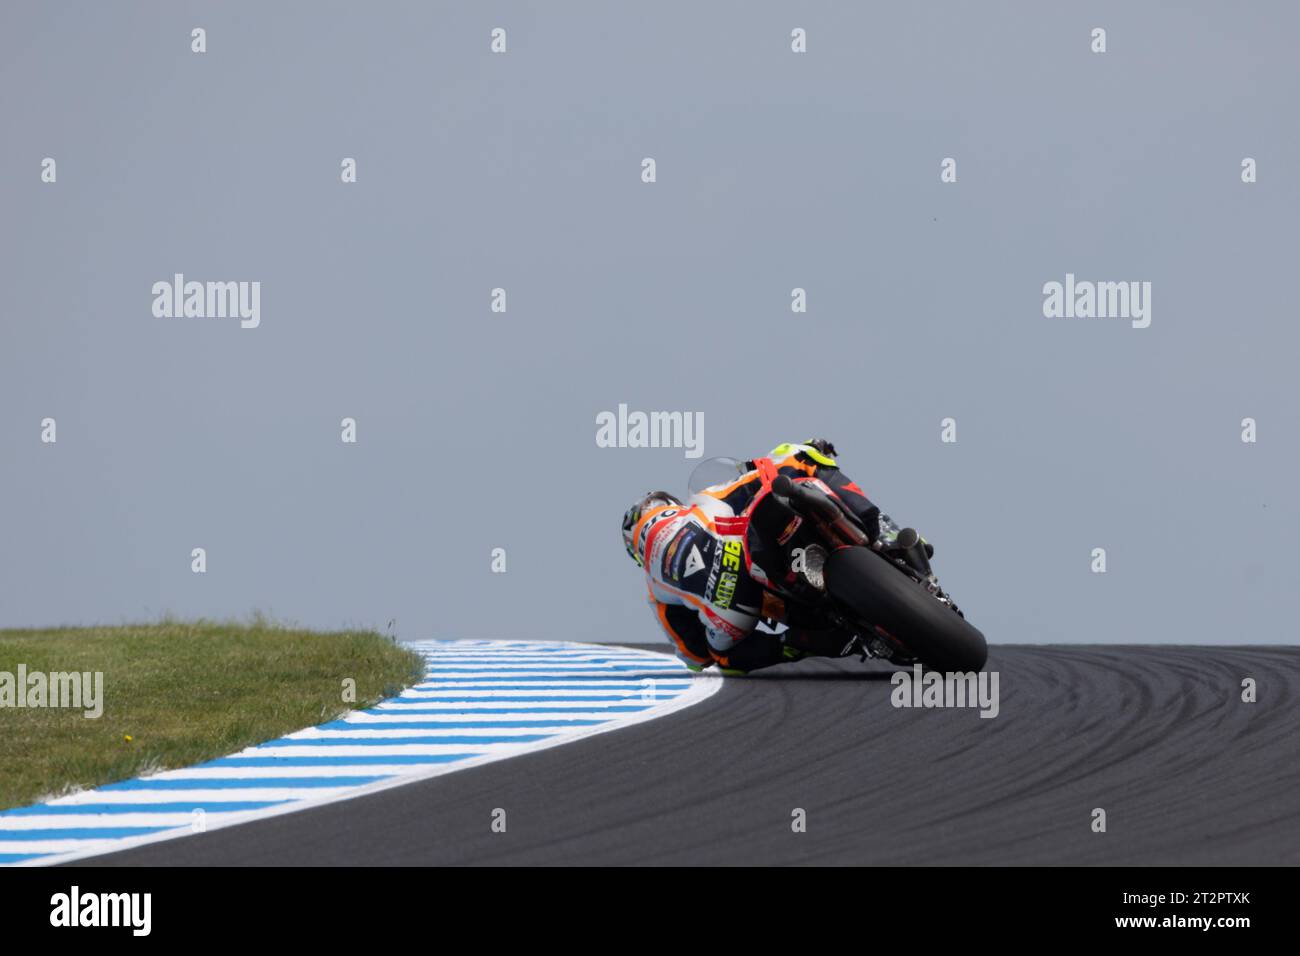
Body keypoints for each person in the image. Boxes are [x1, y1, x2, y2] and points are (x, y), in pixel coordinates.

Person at [621, 439, 924, 674]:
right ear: (670, 503)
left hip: (759, 601)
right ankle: (885, 532)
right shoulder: (707, 500)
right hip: (766, 572)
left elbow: (695, 656)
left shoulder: (656, 591)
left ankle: (799, 646)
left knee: (725, 657)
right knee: (802, 462)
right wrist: (805, 452)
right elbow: (770, 468)